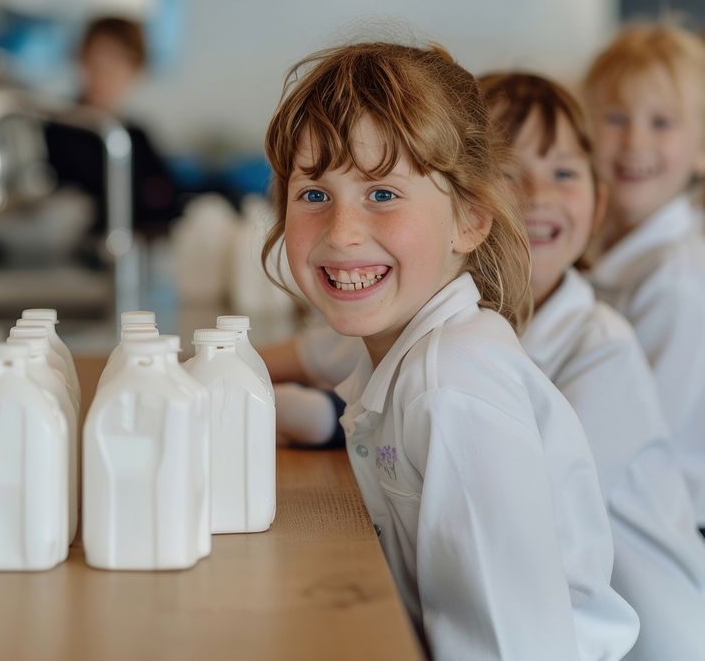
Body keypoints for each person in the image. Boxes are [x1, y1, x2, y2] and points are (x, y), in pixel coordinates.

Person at [263, 42, 638, 659]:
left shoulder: (454, 386)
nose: (342, 232)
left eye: (383, 194)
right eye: (314, 194)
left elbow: (512, 647)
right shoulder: (405, 354)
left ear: (469, 220)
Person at [481, 71, 705, 661]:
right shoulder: (471, 318)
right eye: (508, 172)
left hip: (657, 641)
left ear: (597, 202)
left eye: (563, 173)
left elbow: (526, 516)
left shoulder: (605, 349)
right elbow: (324, 353)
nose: (537, 195)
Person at [582, 23, 705, 529]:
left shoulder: (676, 278)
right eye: (615, 118)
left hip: (667, 525)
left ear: (701, 150)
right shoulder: (604, 250)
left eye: (661, 122)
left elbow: (638, 435)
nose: (635, 140)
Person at [44, 16, 180, 241]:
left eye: (119, 61)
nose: (107, 72)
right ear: (82, 59)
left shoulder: (138, 137)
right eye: (99, 59)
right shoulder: (54, 128)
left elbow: (169, 200)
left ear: (135, 71)